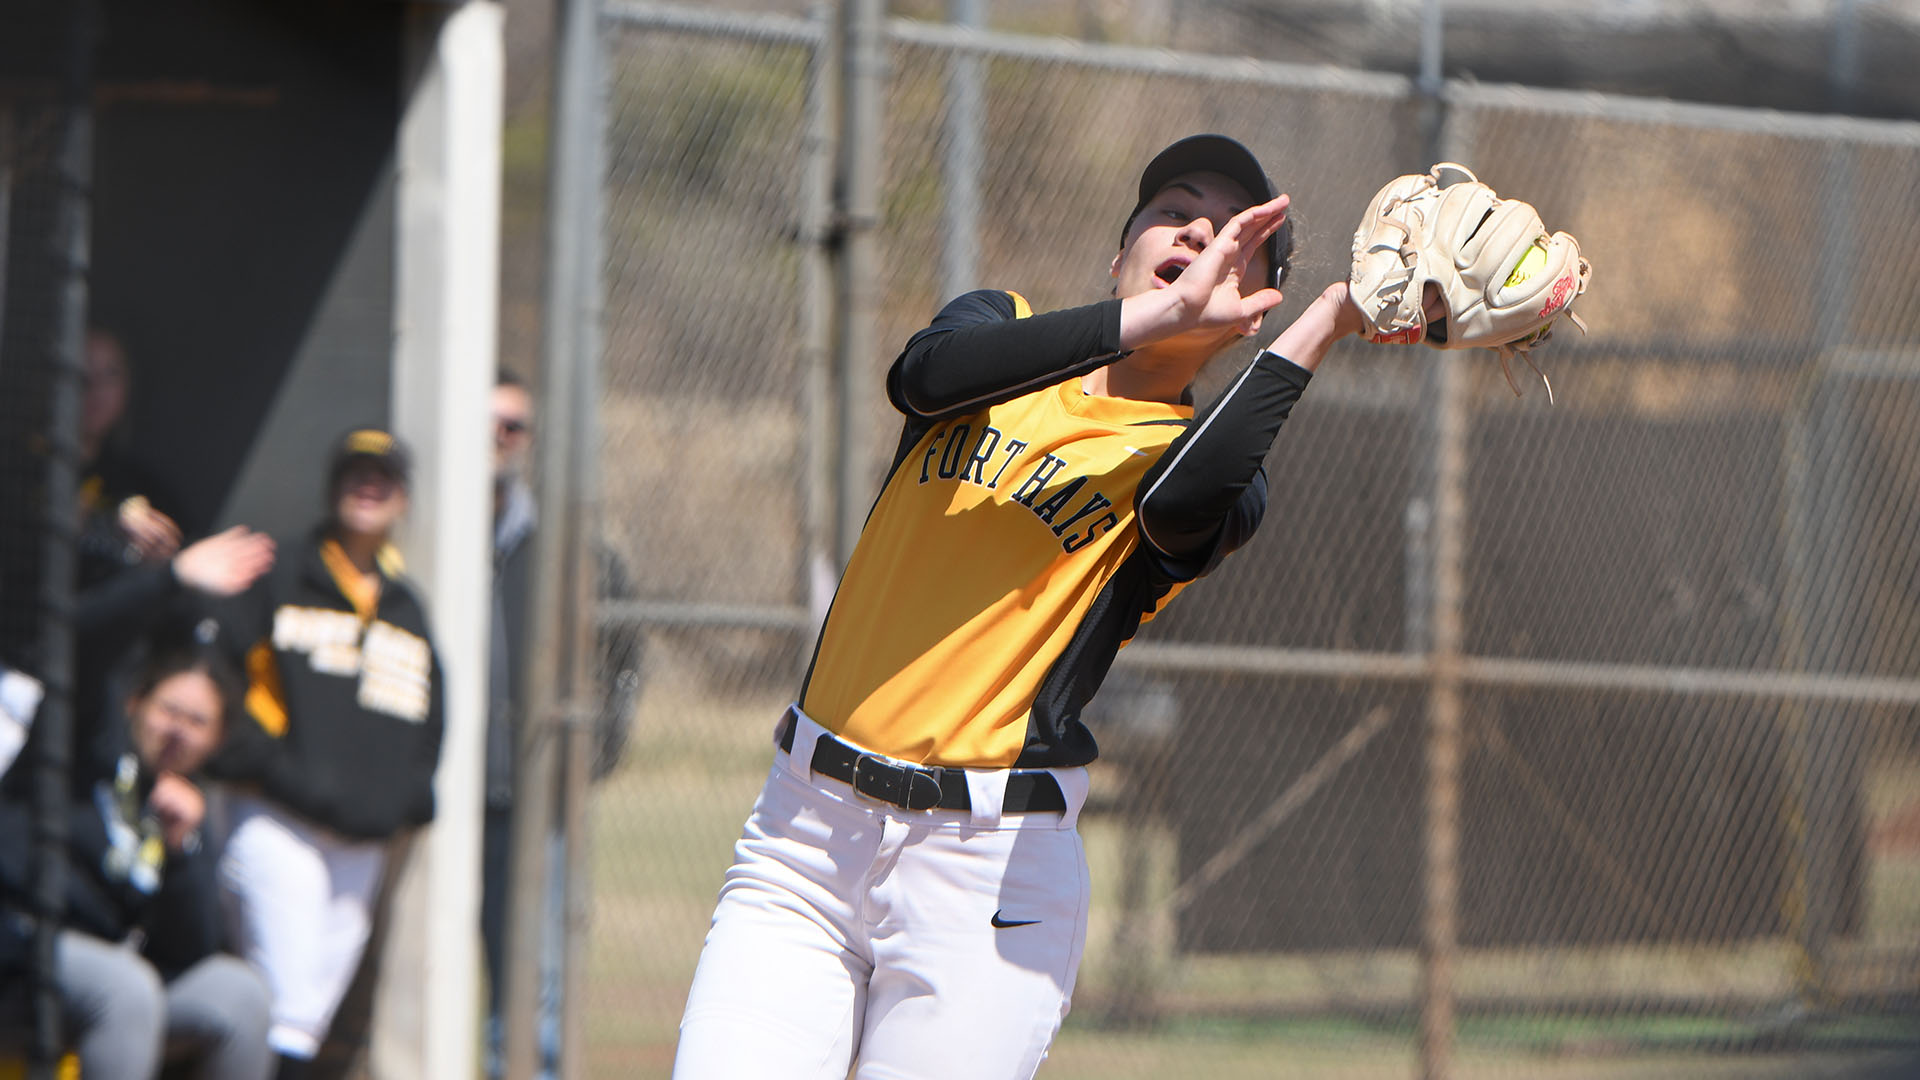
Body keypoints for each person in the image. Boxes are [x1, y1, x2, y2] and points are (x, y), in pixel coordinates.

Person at [670, 134, 1401, 1079]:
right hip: (802, 841)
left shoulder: (1210, 474)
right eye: (1174, 211)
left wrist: (1328, 320)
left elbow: (1181, 505)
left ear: (1254, 309)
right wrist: (1151, 318)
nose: (1198, 234)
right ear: (1119, 256)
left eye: (1234, 235)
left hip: (985, 877)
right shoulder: (997, 332)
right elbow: (923, 377)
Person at [206, 428, 446, 1080]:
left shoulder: (406, 605)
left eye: (383, 478)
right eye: (355, 473)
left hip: (360, 839)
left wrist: (405, 799)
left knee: (309, 1015)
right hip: (279, 819)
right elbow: (220, 680)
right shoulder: (285, 574)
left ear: (403, 499)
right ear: (332, 486)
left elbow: (431, 714)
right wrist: (266, 768)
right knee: (286, 1001)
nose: (368, 487)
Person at [0, 634, 275, 1080]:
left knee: (241, 994)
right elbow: (90, 639)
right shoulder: (86, 748)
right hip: (21, 951)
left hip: (110, 981)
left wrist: (182, 849)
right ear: (134, 703)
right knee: (126, 987)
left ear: (218, 739)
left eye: (198, 721)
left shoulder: (190, 807)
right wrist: (169, 591)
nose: (178, 730)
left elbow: (190, 950)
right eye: (169, 710)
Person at [482, 371, 642, 1080]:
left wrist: (596, 750)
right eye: (485, 422)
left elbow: (625, 653)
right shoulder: (426, 536)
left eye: (512, 425)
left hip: (535, 801)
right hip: (439, 802)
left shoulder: (567, 551)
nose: (497, 437)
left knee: (534, 987)